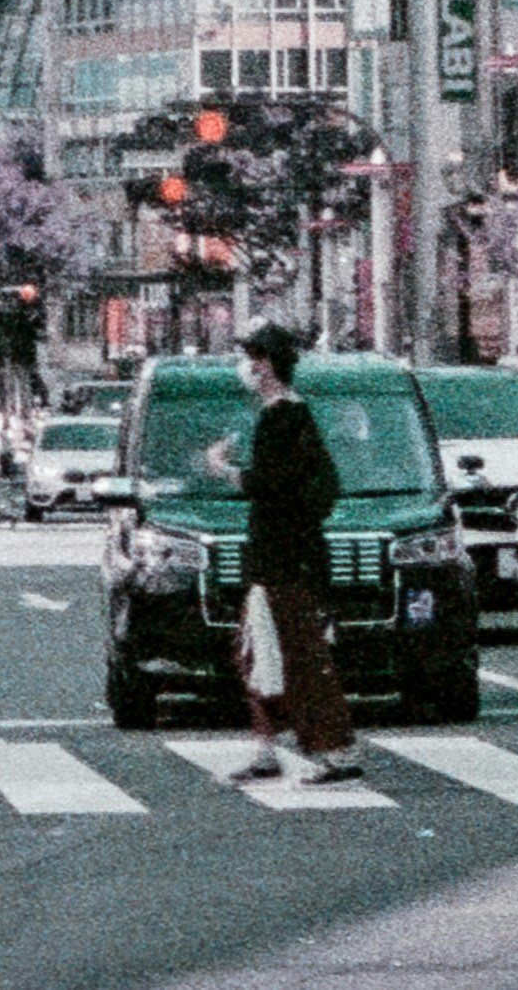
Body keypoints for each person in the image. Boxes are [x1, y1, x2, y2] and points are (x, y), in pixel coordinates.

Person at [198, 325, 359, 786]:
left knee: (295, 653)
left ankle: (336, 749)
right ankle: (268, 748)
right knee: (257, 653)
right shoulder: (285, 414)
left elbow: (272, 484)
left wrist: (222, 469)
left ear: (266, 363)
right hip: (279, 556)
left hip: (283, 559)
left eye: (250, 357)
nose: (245, 367)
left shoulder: (283, 416)